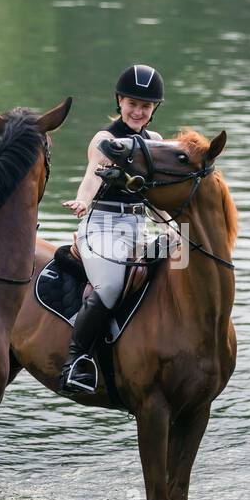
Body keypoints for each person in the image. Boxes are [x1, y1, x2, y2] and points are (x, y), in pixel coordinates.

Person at [58, 64, 165, 393]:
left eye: (145, 106)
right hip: (101, 226)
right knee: (110, 285)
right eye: (132, 103)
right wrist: (82, 200)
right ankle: (75, 361)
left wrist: (178, 226)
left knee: (185, 258)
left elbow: (158, 196)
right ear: (119, 101)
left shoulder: (157, 142)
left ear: (154, 109)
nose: (138, 111)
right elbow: (93, 174)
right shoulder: (106, 139)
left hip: (138, 226)